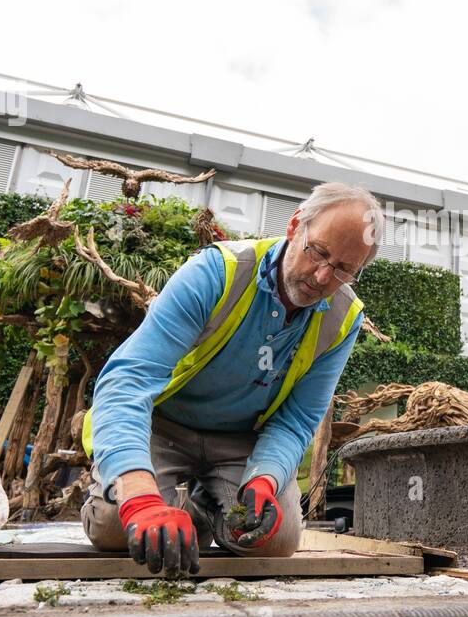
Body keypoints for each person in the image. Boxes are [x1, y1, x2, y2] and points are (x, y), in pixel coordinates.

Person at [80, 182, 381, 574]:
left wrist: (264, 480)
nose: (323, 277)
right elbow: (129, 380)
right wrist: (139, 497)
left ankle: (202, 513)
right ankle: (159, 502)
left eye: (344, 269)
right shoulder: (216, 272)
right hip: (163, 425)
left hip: (239, 440)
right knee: (120, 529)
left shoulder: (343, 319)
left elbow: (298, 419)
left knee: (274, 539)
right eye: (318, 252)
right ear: (295, 226)